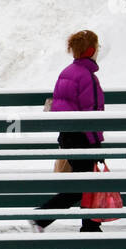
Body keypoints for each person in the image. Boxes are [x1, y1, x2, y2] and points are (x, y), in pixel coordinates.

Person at [34, 29, 106, 233]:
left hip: (67, 135)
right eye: (97, 48)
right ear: (91, 50)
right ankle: (41, 217)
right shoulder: (88, 78)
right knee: (83, 184)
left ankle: (91, 225)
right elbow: (91, 114)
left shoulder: (66, 72)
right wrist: (96, 143)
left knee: (87, 181)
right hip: (83, 137)